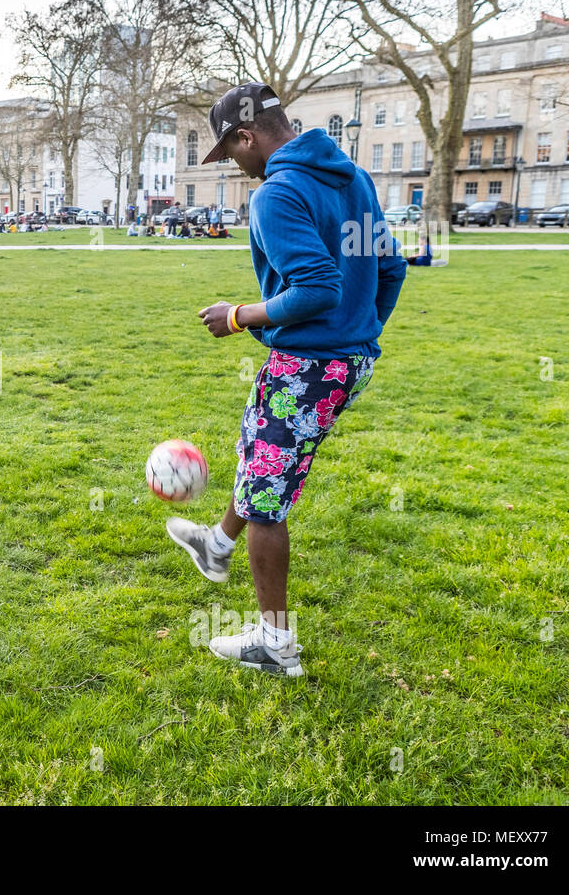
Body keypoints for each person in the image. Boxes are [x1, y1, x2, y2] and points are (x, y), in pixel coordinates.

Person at [166, 82, 406, 677]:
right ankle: (216, 546)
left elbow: (316, 288)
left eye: (230, 152)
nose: (234, 166)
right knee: (259, 448)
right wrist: (362, 332)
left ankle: (274, 645)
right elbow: (393, 265)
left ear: (247, 135)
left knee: (269, 502)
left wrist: (238, 317)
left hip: (308, 363)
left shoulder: (277, 193)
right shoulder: (353, 178)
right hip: (346, 362)